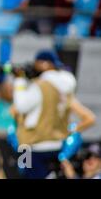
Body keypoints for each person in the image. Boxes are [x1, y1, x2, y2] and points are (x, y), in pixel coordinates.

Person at [11, 50, 96, 179]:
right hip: (57, 146)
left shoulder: (41, 87)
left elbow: (19, 108)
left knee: (25, 173)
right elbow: (90, 118)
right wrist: (69, 130)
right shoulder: (65, 91)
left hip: (33, 147)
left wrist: (19, 81)